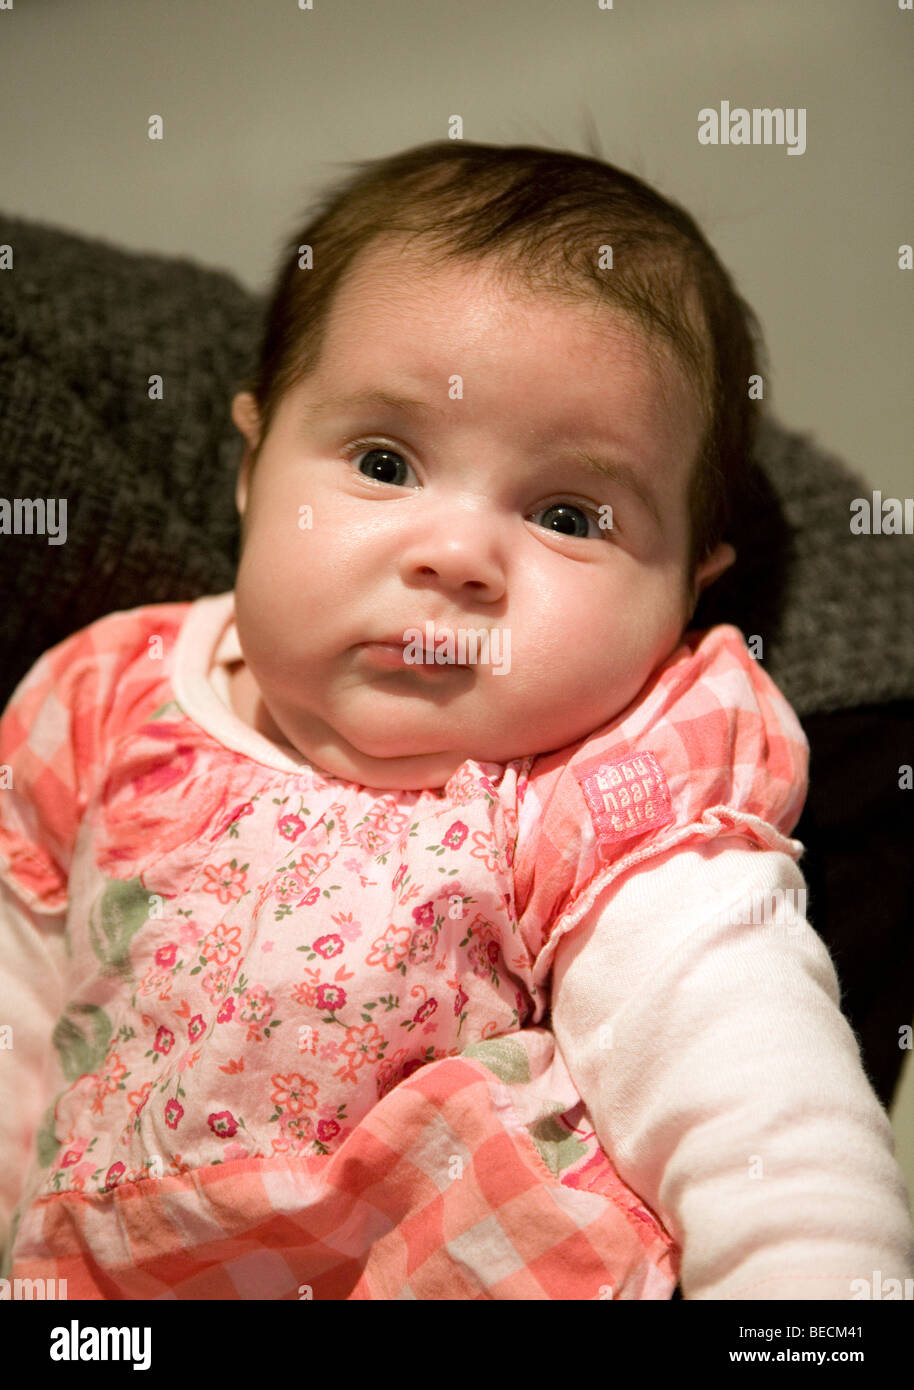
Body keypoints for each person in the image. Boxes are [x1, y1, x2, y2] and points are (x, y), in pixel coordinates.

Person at [1, 140, 912, 1300]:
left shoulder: (607, 785)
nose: (455, 556)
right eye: (383, 461)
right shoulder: (105, 697)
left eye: (569, 514)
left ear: (687, 591)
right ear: (248, 469)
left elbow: (753, 1101)